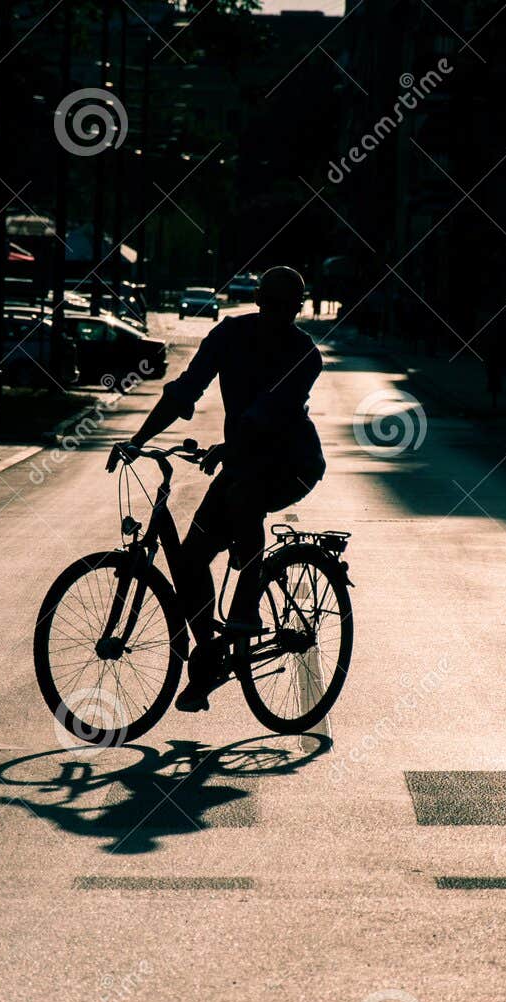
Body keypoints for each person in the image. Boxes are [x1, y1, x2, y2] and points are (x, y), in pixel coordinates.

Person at [111, 265, 325, 712]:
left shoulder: (305, 355)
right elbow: (183, 391)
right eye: (271, 304)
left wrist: (230, 447)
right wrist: (138, 440)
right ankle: (209, 657)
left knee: (245, 495)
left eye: (287, 308)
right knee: (191, 559)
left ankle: (247, 604)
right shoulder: (228, 336)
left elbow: (270, 412)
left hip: (294, 465)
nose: (277, 315)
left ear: (297, 310)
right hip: (244, 460)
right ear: (259, 300)